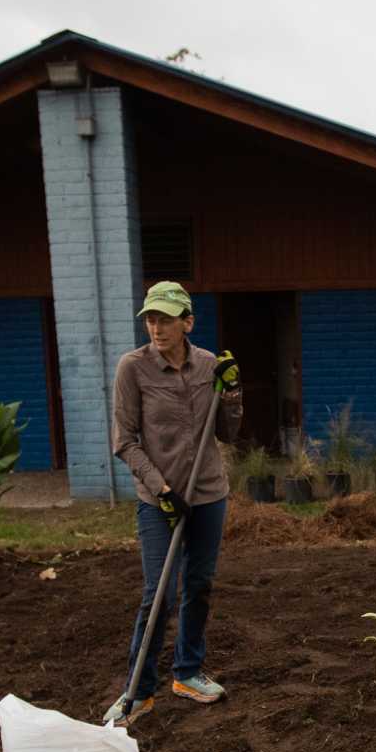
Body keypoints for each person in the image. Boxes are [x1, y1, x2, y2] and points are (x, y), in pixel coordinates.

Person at [105, 281, 241, 725]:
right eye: (150, 318)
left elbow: (229, 433)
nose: (156, 327)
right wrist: (160, 489)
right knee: (158, 593)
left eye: (165, 318)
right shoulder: (133, 368)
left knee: (198, 584)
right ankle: (138, 692)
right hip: (158, 498)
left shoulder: (207, 365)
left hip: (207, 493)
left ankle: (187, 673)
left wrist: (233, 392)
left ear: (188, 322)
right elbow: (124, 441)